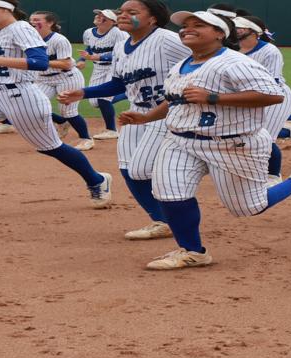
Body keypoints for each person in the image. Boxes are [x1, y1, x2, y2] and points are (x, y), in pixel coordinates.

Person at [113, 9, 291, 269]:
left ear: (220, 34)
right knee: (169, 193)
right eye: (186, 25)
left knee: (248, 207)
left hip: (232, 144)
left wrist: (213, 97)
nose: (188, 28)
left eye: (198, 25)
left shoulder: (236, 62)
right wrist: (146, 118)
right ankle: (193, 251)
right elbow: (175, 100)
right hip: (181, 140)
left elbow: (272, 95)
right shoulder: (182, 64)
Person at [0, 0, 113, 207]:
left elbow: (40, 62)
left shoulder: (20, 28)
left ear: (5, 9)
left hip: (20, 95)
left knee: (51, 147)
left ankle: (97, 180)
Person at [59, 0, 191, 241]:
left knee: (142, 169)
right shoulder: (122, 46)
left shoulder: (165, 39)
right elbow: (120, 82)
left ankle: (181, 202)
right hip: (135, 113)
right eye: (121, 11)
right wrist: (84, 92)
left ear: (152, 19)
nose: (123, 15)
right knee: (128, 168)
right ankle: (162, 221)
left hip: (167, 112)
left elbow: (203, 59)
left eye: (132, 12)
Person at [232, 14, 291, 184]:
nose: (236, 29)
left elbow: (272, 82)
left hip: (275, 97)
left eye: (241, 26)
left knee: (266, 137)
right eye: (235, 26)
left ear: (255, 31)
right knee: (242, 133)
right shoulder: (232, 49)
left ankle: (273, 176)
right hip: (248, 97)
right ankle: (288, 132)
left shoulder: (269, 50)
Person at [28, 10, 95, 151]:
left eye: (37, 20)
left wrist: (39, 62)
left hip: (67, 78)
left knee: (68, 111)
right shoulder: (28, 39)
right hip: (43, 79)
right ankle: (61, 122)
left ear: (50, 23)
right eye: (31, 20)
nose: (33, 22)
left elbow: (66, 64)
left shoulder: (59, 40)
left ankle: (86, 139)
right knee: (31, 106)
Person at [80, 9, 130, 140]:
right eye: (98, 14)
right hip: (98, 68)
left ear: (112, 22)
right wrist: (82, 60)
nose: (98, 17)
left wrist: (99, 57)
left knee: (103, 98)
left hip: (115, 67)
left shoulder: (118, 33)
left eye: (103, 16)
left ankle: (111, 130)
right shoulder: (88, 32)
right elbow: (89, 48)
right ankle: (128, 93)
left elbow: (121, 52)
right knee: (95, 102)